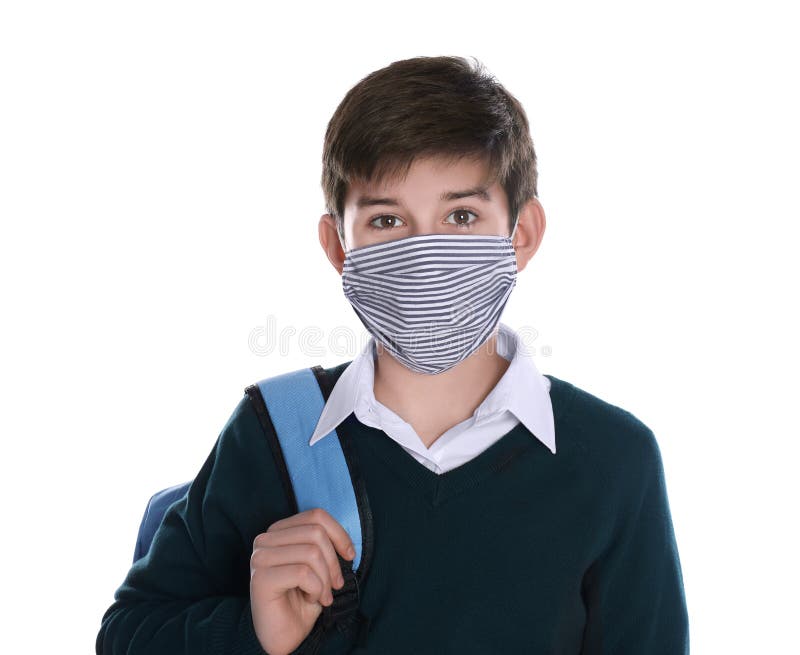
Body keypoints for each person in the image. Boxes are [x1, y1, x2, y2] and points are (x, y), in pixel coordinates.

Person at [96, 55, 689, 655]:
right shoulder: (273, 432)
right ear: (338, 247)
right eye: (386, 220)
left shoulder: (612, 461)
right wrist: (256, 634)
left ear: (523, 235)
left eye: (461, 216)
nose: (425, 255)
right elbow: (126, 634)